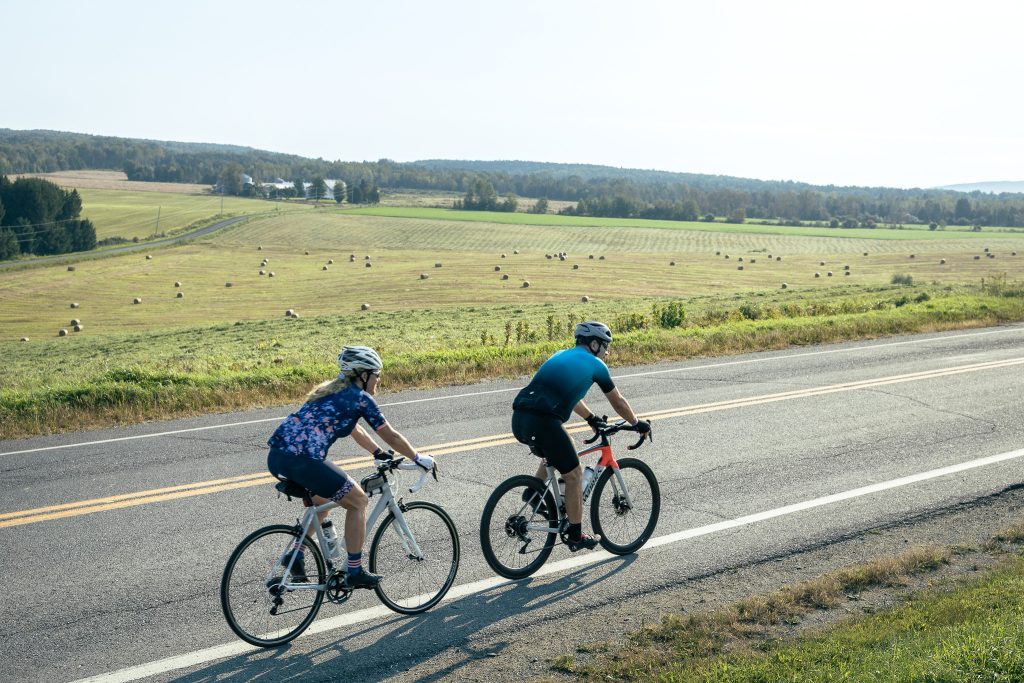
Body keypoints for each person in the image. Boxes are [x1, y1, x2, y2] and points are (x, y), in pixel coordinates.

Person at [266, 345, 435, 587]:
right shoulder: (359, 399)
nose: (379, 380)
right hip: (304, 460)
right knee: (358, 501)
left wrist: (376, 452)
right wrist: (418, 457)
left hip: (277, 457)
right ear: (363, 375)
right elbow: (391, 435)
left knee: (324, 500)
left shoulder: (327, 391)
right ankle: (354, 572)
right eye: (377, 374)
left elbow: (355, 429)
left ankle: (295, 554)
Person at [511, 321, 651, 551]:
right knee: (574, 474)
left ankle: (533, 491)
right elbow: (617, 401)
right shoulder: (596, 365)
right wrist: (637, 423)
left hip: (520, 418)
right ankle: (575, 536)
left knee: (560, 449)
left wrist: (590, 418)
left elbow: (568, 394)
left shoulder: (561, 355)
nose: (607, 351)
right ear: (594, 344)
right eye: (605, 346)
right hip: (545, 421)